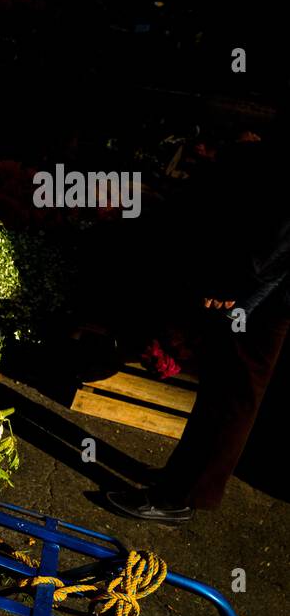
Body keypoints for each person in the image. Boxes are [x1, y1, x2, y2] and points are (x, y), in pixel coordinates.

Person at [107, 131, 288, 524]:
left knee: (236, 391)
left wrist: (240, 283)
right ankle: (181, 480)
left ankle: (180, 496)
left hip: (273, 288)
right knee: (224, 382)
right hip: (269, 277)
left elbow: (282, 232)